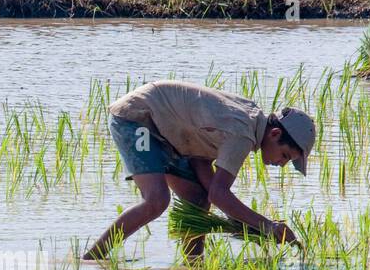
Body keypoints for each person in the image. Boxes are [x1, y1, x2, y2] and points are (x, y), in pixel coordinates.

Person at [84, 80, 315, 260]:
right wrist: (268, 226)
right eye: (285, 156)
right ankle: (91, 258)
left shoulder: (250, 121)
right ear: (275, 134)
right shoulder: (242, 134)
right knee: (157, 199)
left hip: (169, 135)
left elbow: (202, 165)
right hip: (138, 119)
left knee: (198, 199)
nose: (282, 164)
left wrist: (247, 224)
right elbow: (220, 193)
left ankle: (193, 268)